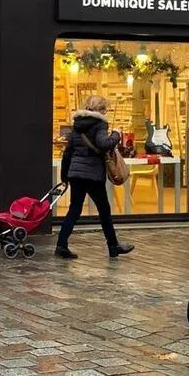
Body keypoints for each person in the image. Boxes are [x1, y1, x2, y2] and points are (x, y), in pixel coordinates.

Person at [56, 95, 136, 259]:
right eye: (104, 109)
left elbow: (68, 152)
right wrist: (116, 134)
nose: (105, 112)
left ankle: (61, 245)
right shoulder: (100, 124)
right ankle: (113, 246)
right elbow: (104, 144)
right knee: (104, 210)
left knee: (74, 209)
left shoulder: (77, 125)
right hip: (92, 175)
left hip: (76, 173)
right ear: (100, 109)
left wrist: (65, 175)